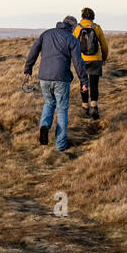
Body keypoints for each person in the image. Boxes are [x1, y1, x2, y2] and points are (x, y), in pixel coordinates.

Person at [23, 15, 89, 153]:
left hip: (44, 77)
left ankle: (45, 126)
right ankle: (60, 145)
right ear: (72, 27)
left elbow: (33, 51)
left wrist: (28, 69)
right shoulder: (72, 39)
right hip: (61, 78)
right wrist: (84, 81)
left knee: (48, 103)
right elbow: (78, 62)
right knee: (62, 109)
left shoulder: (46, 34)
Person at [73, 7, 109, 120]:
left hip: (82, 59)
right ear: (92, 16)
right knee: (94, 83)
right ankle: (94, 107)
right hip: (95, 59)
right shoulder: (96, 28)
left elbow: (72, 44)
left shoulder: (77, 28)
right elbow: (104, 45)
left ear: (82, 16)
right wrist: (104, 57)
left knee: (83, 83)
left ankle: (85, 107)